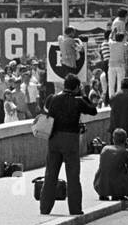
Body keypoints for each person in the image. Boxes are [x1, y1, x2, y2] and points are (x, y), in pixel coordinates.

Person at [39, 73, 98, 215]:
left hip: (54, 139)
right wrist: (83, 95)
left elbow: (45, 112)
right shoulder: (78, 101)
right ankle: (75, 209)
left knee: (50, 174)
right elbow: (93, 110)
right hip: (70, 139)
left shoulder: (52, 99)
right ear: (77, 87)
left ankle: (45, 208)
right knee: (73, 176)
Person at [93, 128, 128, 201]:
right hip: (117, 187)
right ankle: (122, 192)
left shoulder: (105, 148)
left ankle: (103, 194)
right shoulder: (124, 151)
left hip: (100, 186)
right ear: (125, 140)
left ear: (113, 139)